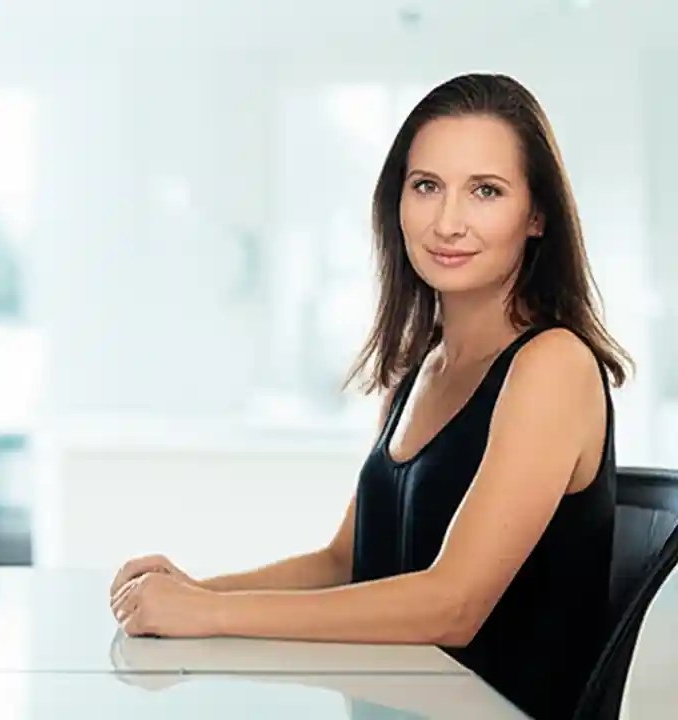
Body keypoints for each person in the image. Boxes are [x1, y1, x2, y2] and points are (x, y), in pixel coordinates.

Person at [107, 72, 632, 720]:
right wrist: (190, 592)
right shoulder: (419, 372)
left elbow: (453, 605)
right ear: (397, 201)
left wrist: (210, 612)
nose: (448, 221)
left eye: (486, 191)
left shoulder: (552, 365)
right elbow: (343, 563)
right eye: (427, 187)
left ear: (537, 215)